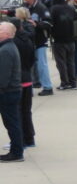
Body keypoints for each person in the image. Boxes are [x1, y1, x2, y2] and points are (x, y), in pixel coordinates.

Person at [11, 14, 36, 149]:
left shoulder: (13, 43)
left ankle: (21, 140)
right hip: (27, 77)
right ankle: (30, 139)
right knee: (27, 111)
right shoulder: (28, 40)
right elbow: (33, 59)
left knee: (17, 112)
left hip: (17, 80)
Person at [0, 22, 24, 163]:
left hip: (8, 93)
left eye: (0, 30)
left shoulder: (6, 50)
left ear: (7, 34)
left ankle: (16, 153)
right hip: (10, 91)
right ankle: (16, 151)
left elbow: (3, 78)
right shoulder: (6, 47)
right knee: (12, 123)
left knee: (12, 123)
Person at [22, 0, 53, 95]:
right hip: (30, 42)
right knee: (31, 66)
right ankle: (33, 85)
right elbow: (18, 12)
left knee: (41, 65)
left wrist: (37, 24)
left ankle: (48, 87)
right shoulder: (27, 7)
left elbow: (49, 23)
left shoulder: (41, 8)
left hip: (40, 42)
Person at [50, 0, 77, 91]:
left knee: (61, 63)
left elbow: (50, 22)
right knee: (71, 62)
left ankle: (64, 83)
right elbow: (76, 17)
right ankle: (73, 83)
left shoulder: (54, 9)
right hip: (70, 38)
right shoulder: (70, 7)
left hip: (59, 40)